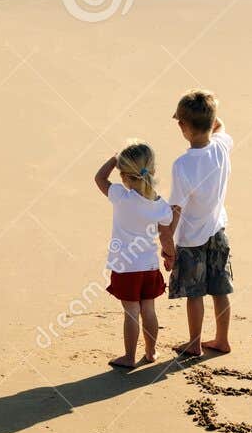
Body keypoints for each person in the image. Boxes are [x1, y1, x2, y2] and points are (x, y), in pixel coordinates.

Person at [161, 91, 234, 358]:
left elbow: (176, 208)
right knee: (220, 288)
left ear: (183, 127)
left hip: (192, 238)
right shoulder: (222, 146)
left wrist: (167, 240)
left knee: (195, 293)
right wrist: (211, 115)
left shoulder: (182, 165)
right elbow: (221, 127)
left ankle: (195, 343)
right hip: (218, 231)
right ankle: (222, 339)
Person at [94, 143, 173, 369]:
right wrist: (169, 256)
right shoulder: (161, 206)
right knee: (149, 310)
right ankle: (151, 352)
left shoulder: (121, 196)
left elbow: (99, 179)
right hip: (149, 266)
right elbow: (166, 236)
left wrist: (113, 158)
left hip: (125, 268)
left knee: (131, 313)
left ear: (125, 176)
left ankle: (129, 357)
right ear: (152, 170)